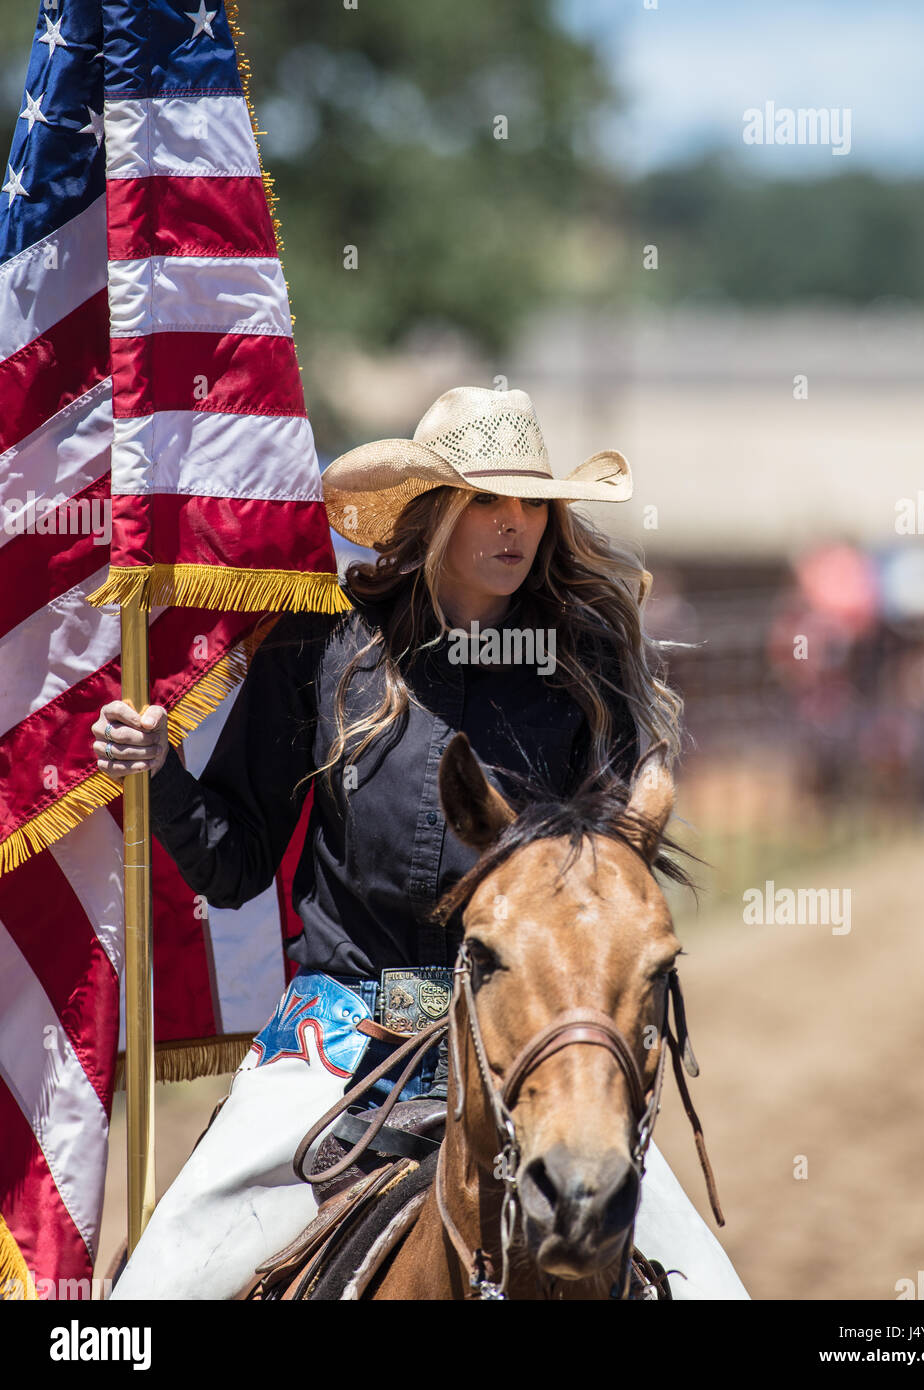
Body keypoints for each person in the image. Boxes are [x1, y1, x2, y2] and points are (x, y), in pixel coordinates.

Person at [96, 386, 749, 1300]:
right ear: (431, 511)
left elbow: (609, 885)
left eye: (532, 503)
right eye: (488, 499)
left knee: (717, 1292)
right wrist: (157, 769)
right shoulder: (323, 648)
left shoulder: (586, 666)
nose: (515, 524)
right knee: (156, 1290)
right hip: (337, 1041)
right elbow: (236, 864)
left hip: (539, 1045)